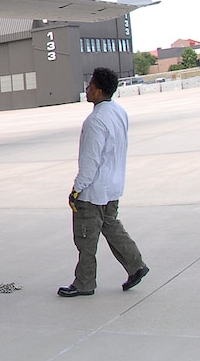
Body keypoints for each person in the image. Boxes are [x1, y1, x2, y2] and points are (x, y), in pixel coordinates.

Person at [57, 66, 149, 297]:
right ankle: (136, 265)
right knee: (112, 225)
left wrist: (76, 190)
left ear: (98, 91)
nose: (87, 89)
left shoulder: (95, 121)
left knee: (86, 239)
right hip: (113, 187)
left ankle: (84, 283)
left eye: (90, 86)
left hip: (93, 192)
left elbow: (89, 164)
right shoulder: (118, 112)